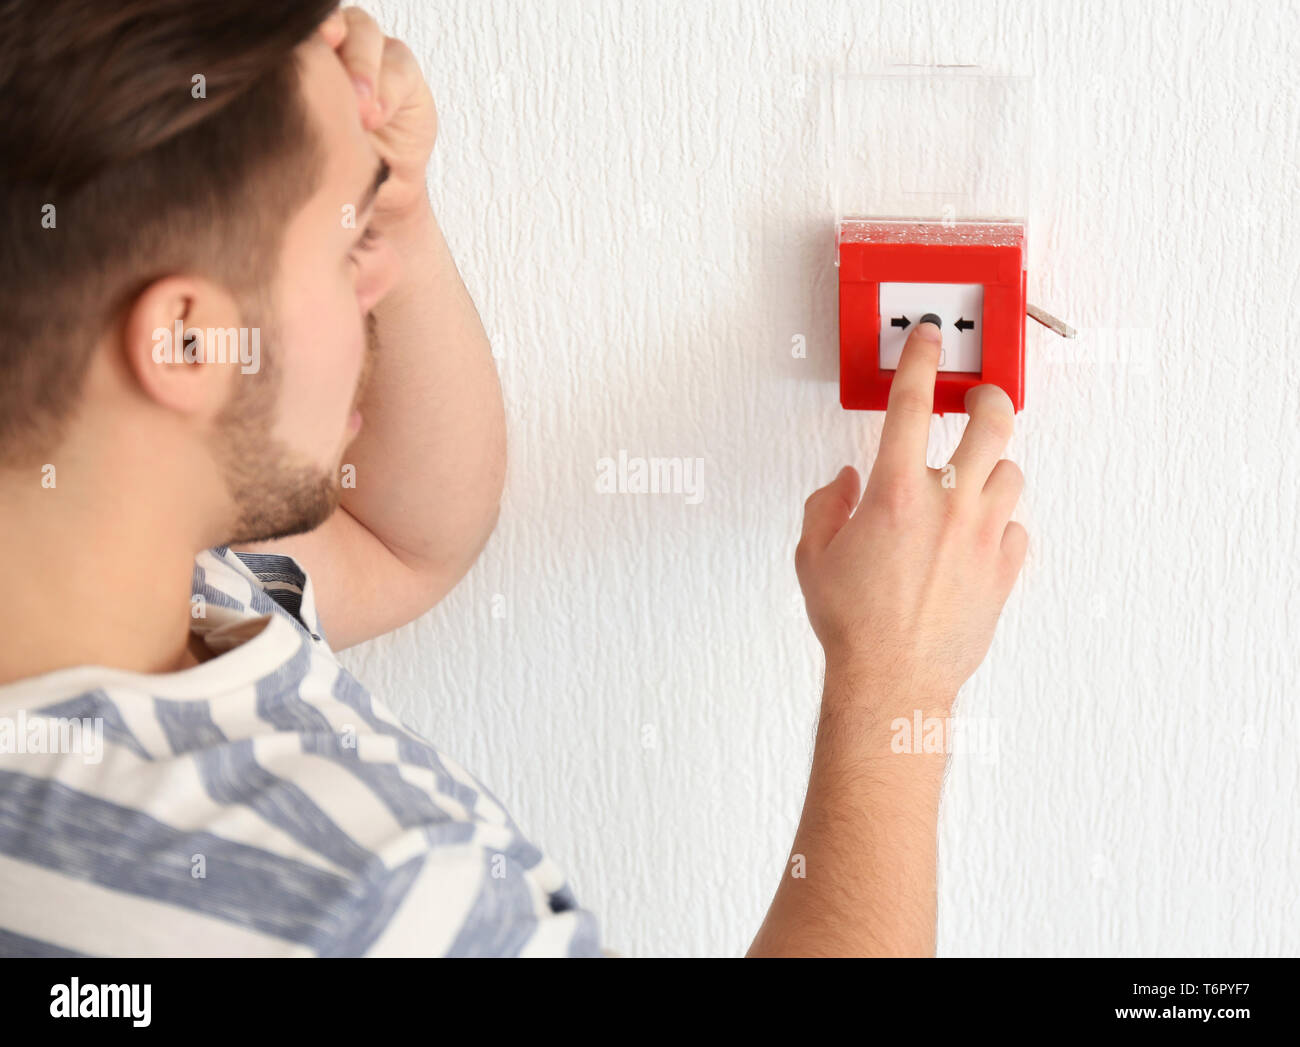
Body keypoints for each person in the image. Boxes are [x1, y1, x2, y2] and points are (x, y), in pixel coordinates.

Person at [0, 3, 1024, 957]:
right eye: (347, 245)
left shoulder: (143, 568)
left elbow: (406, 535)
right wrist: (895, 681)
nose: (377, 281)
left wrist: (392, 204)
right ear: (185, 343)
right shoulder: (365, 898)